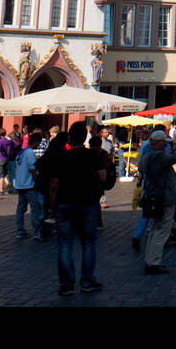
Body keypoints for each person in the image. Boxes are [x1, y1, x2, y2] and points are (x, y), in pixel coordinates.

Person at [49, 121, 107, 295]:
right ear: (84, 138)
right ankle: (87, 281)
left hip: (65, 204)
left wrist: (52, 208)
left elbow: (54, 183)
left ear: (69, 138)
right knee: (88, 243)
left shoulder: (62, 157)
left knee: (65, 244)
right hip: (88, 203)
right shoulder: (93, 156)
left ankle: (66, 284)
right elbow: (103, 177)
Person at [140, 130, 176, 274]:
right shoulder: (157, 156)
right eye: (164, 142)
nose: (165, 145)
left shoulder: (149, 154)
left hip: (155, 195)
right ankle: (153, 262)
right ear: (159, 143)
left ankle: (150, 260)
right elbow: (175, 157)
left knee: (155, 228)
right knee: (162, 229)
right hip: (164, 197)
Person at [131, 124, 169, 251]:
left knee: (146, 212)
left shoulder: (146, 145)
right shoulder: (165, 145)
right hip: (161, 184)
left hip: (147, 182)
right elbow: (169, 160)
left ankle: (137, 235)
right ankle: (157, 238)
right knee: (161, 212)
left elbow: (140, 165)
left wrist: (141, 179)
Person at [14, 131, 44, 240]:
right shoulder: (30, 153)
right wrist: (37, 181)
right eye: (39, 142)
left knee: (20, 209)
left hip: (20, 184)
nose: (39, 145)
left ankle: (20, 230)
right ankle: (37, 231)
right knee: (34, 208)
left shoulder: (21, 152)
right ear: (35, 142)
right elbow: (33, 169)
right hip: (29, 185)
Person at [0, 128, 13, 194]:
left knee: (0, 174)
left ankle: (1, 190)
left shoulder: (0, 140)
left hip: (1, 158)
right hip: (7, 158)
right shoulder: (8, 140)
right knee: (4, 173)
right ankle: (7, 183)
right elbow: (15, 144)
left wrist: (2, 151)